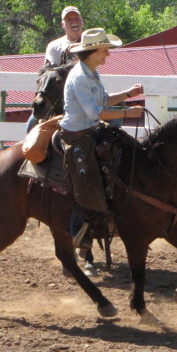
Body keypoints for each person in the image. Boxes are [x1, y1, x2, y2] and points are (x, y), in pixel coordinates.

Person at [60, 27, 144, 248]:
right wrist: (127, 112)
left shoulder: (91, 72)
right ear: (93, 51)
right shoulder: (80, 76)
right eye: (105, 50)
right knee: (88, 176)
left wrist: (127, 94)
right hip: (77, 135)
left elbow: (103, 100)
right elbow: (95, 112)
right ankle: (79, 226)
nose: (108, 54)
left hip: (90, 130)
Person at [26, 5, 84, 132]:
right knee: (32, 121)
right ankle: (29, 149)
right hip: (59, 95)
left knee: (113, 120)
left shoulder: (90, 43)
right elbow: (50, 72)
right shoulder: (55, 46)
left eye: (76, 18)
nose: (74, 21)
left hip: (85, 90)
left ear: (82, 21)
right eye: (69, 20)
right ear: (63, 24)